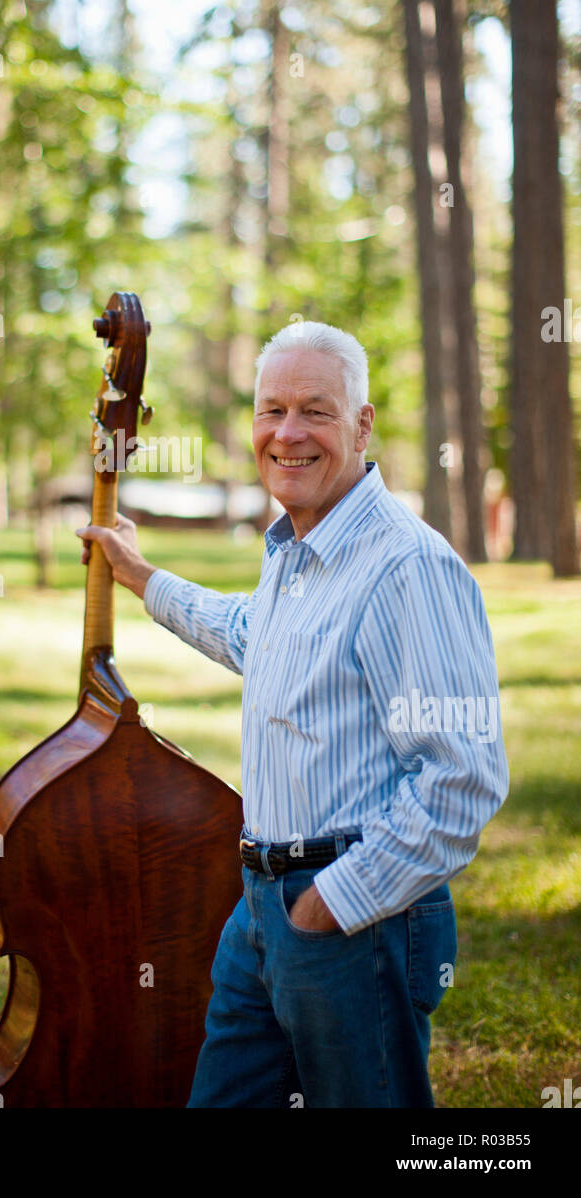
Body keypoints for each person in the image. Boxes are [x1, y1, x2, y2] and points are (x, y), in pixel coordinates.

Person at [76, 320, 509, 1108]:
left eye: (315, 411)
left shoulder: (406, 568)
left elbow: (463, 779)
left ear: (363, 424)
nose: (288, 433)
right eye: (272, 410)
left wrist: (331, 904)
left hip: (356, 917)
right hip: (259, 909)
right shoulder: (297, 547)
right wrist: (145, 579)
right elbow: (256, 637)